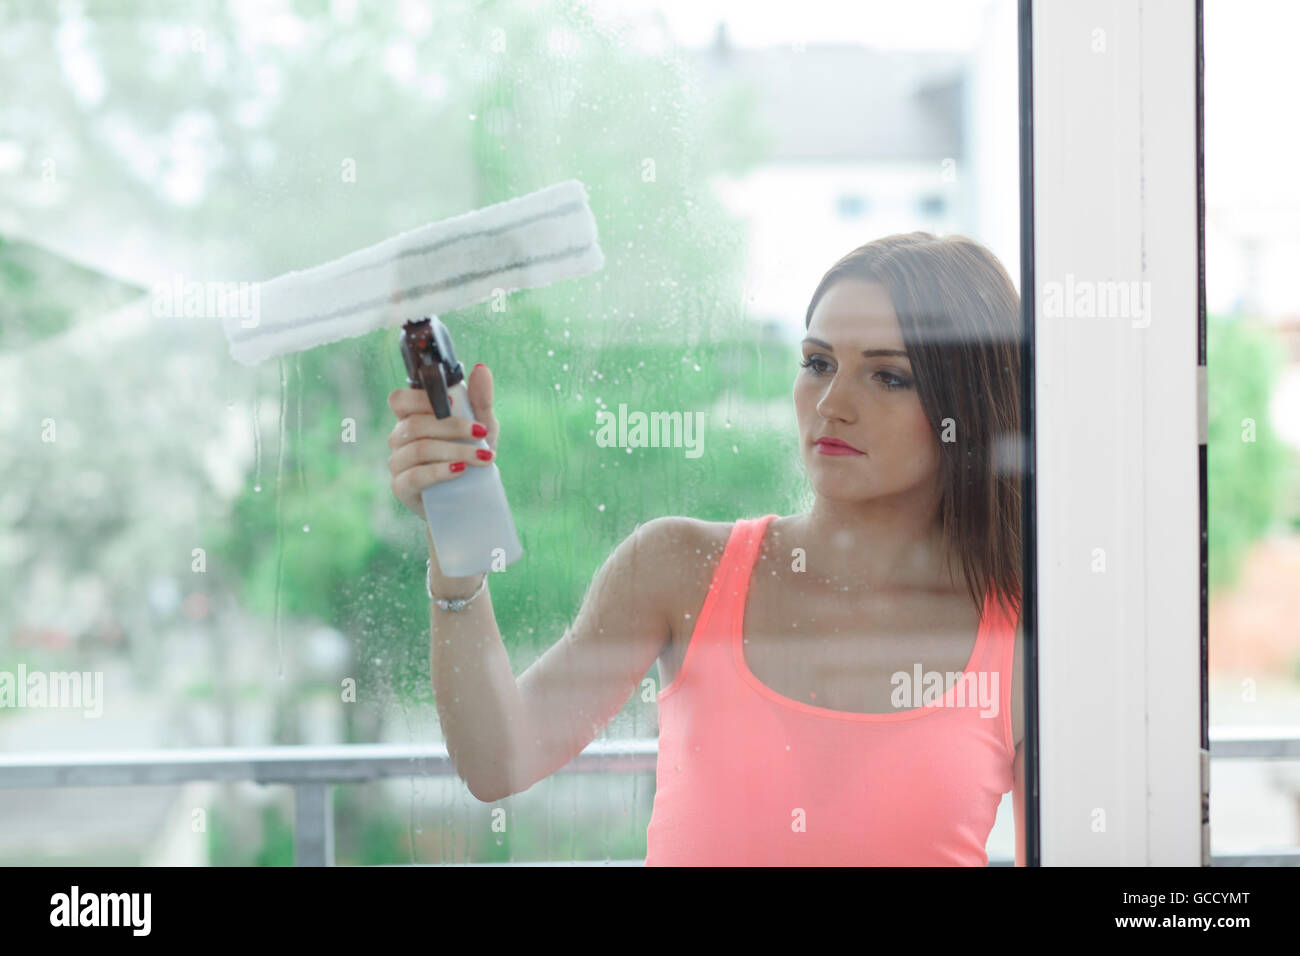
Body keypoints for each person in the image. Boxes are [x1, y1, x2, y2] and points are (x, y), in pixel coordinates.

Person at [387, 232, 1026, 866]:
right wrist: (458, 541)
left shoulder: (1022, 639)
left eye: (889, 376)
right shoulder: (677, 568)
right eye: (818, 363)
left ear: (966, 407)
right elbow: (499, 761)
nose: (832, 405)